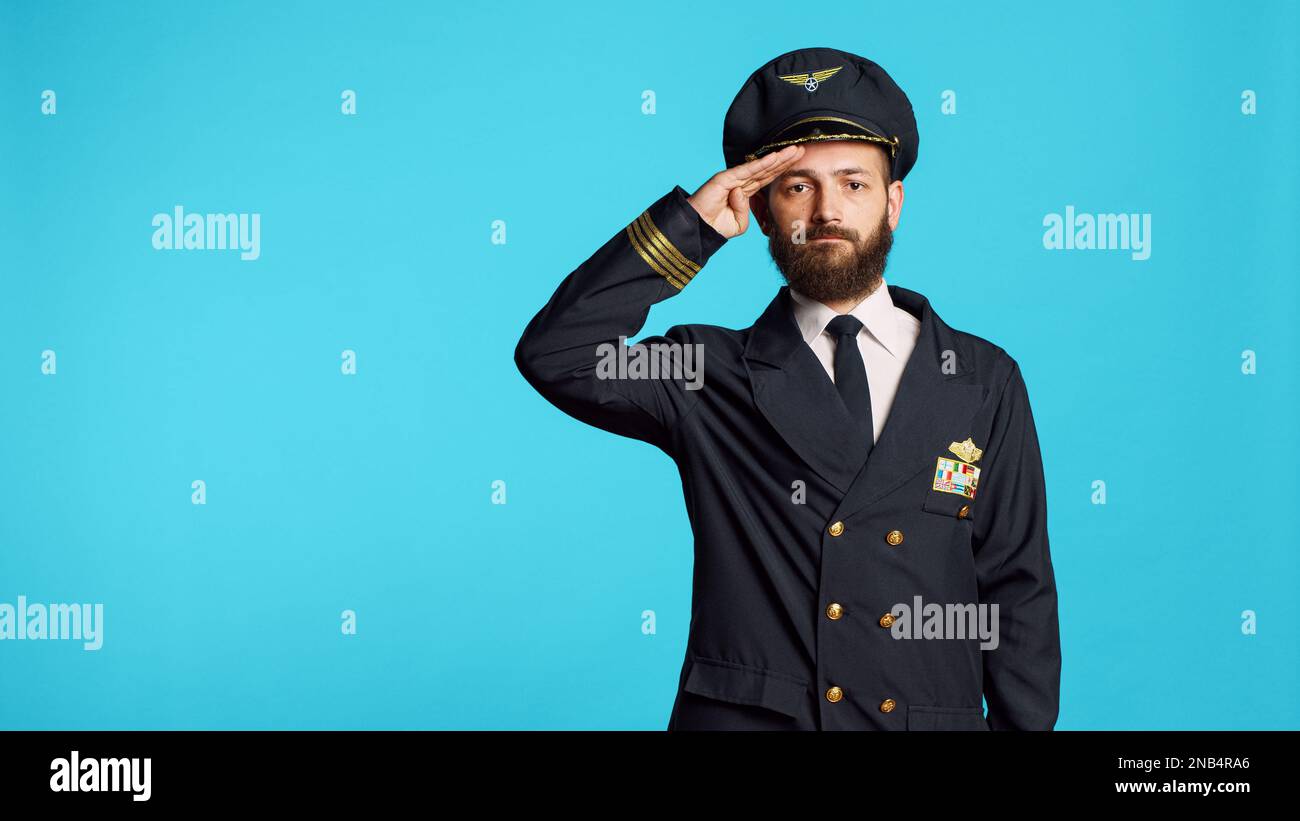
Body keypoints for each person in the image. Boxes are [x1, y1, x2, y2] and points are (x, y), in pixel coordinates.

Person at [514, 46, 1060, 730]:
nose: (828, 210)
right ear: (763, 212)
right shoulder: (705, 373)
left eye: (854, 183)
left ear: (894, 204)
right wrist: (691, 226)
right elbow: (556, 352)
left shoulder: (983, 379)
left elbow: (1017, 592)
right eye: (798, 185)